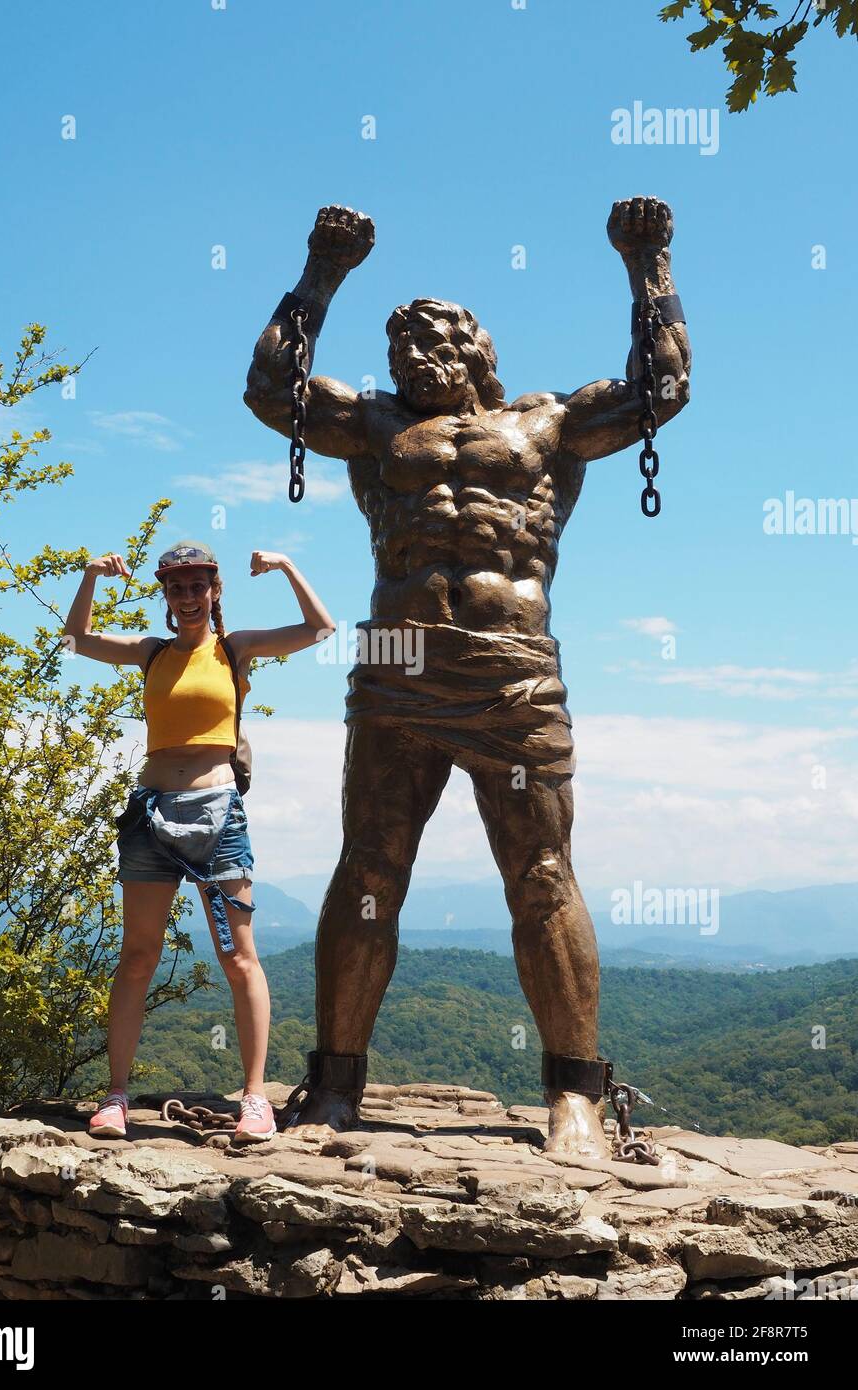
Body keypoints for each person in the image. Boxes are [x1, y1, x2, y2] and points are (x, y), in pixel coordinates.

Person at [245, 200, 690, 1154]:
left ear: (477, 347)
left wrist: (645, 263)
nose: (413, 354)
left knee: (538, 875)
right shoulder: (374, 427)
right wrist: (322, 272)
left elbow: (662, 390)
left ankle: (573, 1092)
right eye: (400, 342)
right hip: (395, 667)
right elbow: (269, 392)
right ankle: (334, 1086)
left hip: (512, 673)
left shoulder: (547, 423)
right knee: (368, 871)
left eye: (433, 338)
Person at [62, 541, 335, 1141]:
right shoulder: (152, 653)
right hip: (150, 811)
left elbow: (320, 630)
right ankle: (115, 1097)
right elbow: (77, 640)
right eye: (176, 587)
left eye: (197, 586)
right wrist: (89, 577)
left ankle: (256, 1098)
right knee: (138, 958)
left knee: (239, 958)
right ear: (165, 595)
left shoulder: (234, 649)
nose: (187, 596)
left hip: (218, 811)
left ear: (214, 590)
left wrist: (288, 566)